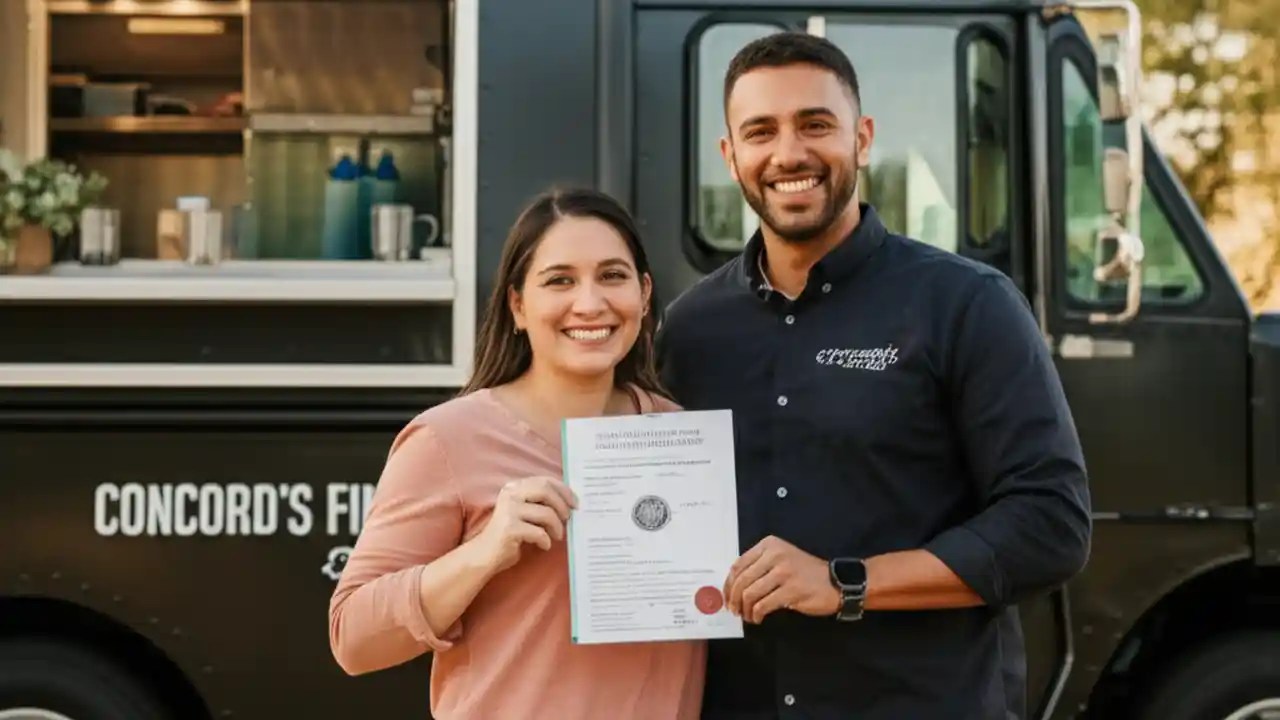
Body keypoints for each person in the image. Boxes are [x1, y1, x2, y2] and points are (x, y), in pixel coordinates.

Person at [655, 32, 1091, 719]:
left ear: (861, 138)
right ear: (729, 155)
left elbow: (1050, 525)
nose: (789, 153)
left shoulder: (966, 304)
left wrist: (845, 583)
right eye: (760, 131)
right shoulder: (689, 330)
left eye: (815, 125)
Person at [329, 188, 705, 719]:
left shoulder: (684, 442)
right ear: (518, 305)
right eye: (560, 281)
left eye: (613, 276)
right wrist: (484, 553)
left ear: (644, 295)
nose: (591, 302)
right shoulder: (446, 440)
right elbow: (354, 640)